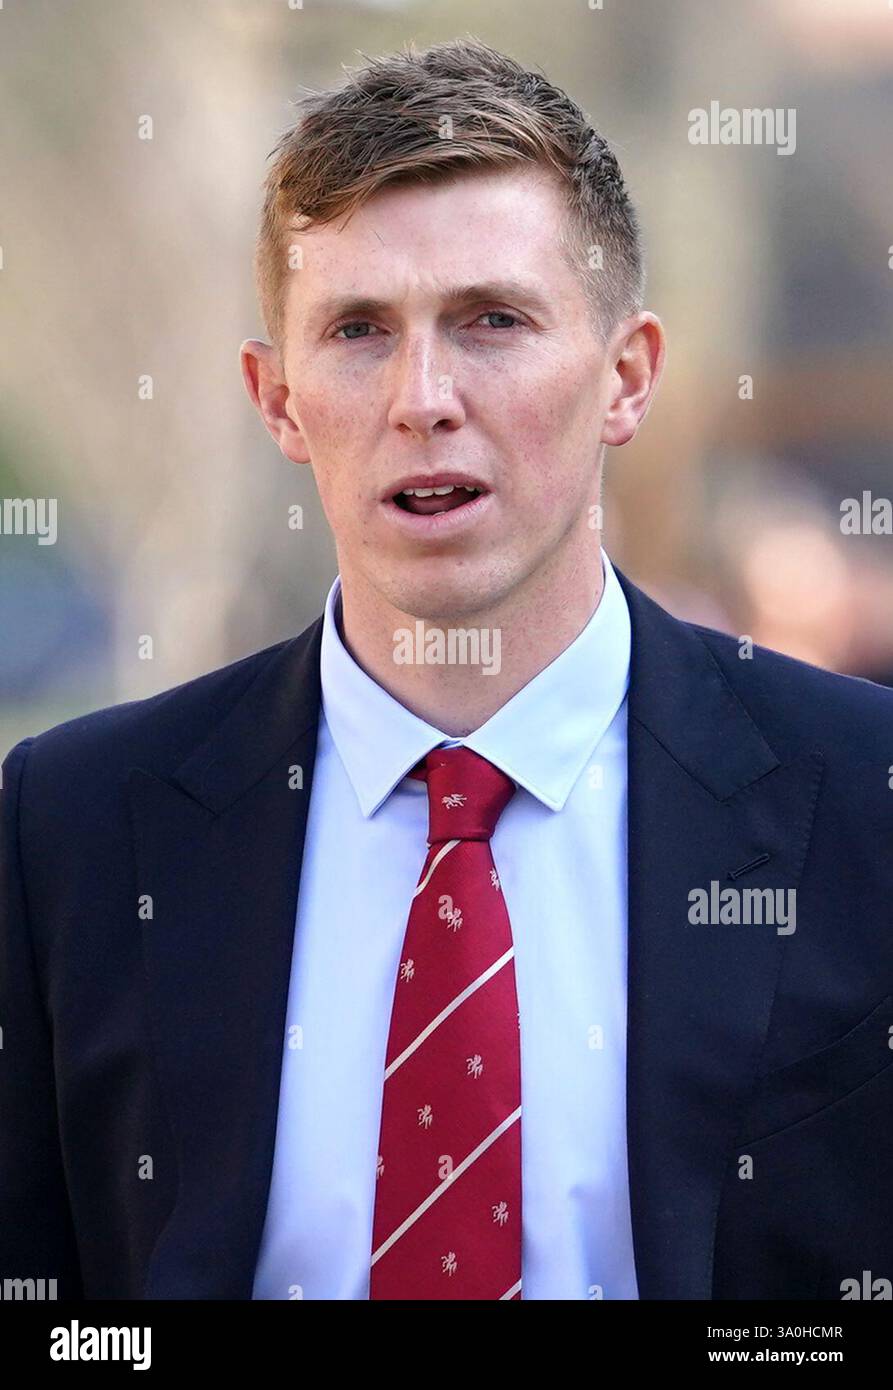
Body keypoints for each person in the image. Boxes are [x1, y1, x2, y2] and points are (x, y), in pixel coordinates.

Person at [1, 37, 891, 1303]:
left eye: (491, 321)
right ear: (278, 399)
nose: (423, 396)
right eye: (359, 330)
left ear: (625, 376)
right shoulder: (74, 829)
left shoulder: (859, 796)